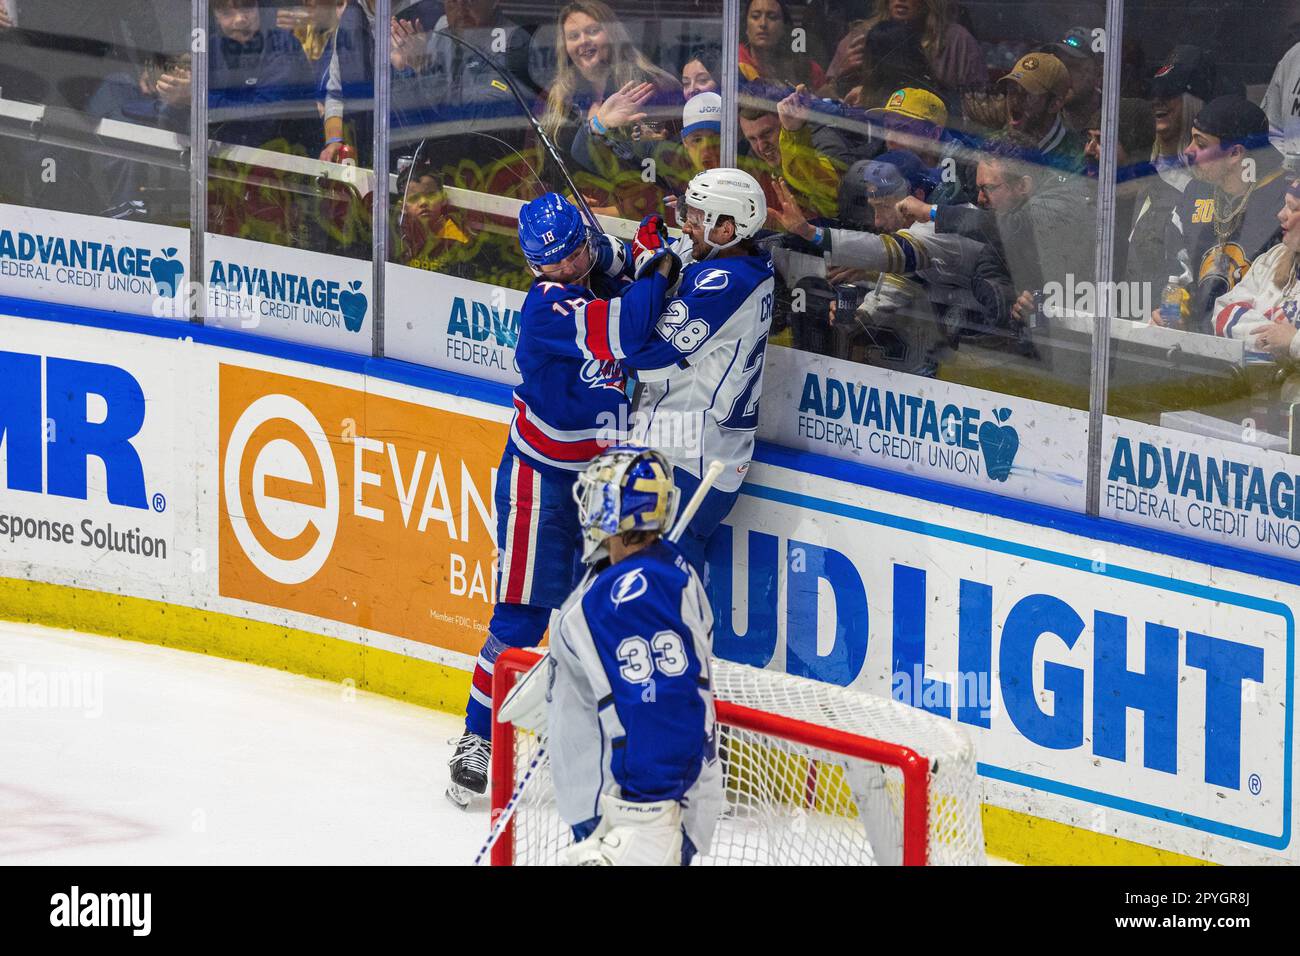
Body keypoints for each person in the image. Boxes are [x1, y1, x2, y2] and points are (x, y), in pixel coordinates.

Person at [446, 195, 684, 806]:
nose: (572, 266)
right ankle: (478, 736)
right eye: (556, 263)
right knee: (521, 618)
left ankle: (615, 741)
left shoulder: (588, 261)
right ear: (535, 269)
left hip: (604, 478)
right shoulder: (547, 308)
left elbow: (614, 259)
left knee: (611, 614)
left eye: (577, 251)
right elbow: (633, 332)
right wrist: (658, 265)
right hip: (541, 480)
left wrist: (641, 245)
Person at [497, 446, 720, 866]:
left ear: (619, 511)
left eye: (598, 497)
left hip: (636, 814)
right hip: (613, 806)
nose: (587, 507)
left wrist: (648, 821)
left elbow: (664, 702)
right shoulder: (630, 574)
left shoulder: (637, 590)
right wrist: (565, 687)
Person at [629, 168, 776, 571]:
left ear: (727, 229)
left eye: (696, 218)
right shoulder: (742, 261)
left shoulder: (726, 283)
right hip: (698, 454)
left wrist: (652, 265)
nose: (686, 225)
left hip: (689, 462)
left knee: (657, 592)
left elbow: (644, 355)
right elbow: (684, 261)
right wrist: (664, 255)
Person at [769, 151, 996, 375]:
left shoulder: (936, 231)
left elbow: (890, 252)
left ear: (916, 194)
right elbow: (892, 288)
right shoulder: (924, 231)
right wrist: (855, 318)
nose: (877, 220)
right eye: (873, 207)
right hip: (970, 349)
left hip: (996, 353)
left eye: (884, 206)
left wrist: (812, 233)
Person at [1160, 95, 1290, 333]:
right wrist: (1178, 304)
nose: (1188, 151)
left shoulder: (1287, 201)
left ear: (1234, 154)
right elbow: (1177, 271)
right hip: (1196, 346)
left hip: (1256, 351)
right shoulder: (1195, 192)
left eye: (1201, 144)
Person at [1211, 178, 1300, 409]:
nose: (1281, 215)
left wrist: (1292, 341)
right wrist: (1272, 339)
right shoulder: (1274, 258)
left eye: (1294, 208)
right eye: (1284, 205)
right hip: (1258, 408)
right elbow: (1224, 312)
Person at [833, 0, 983, 100]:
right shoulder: (860, 37)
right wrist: (841, 73)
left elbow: (978, 105)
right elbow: (818, 100)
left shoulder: (957, 42)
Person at [996, 52, 1087, 175]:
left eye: (1027, 94)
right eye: (1012, 90)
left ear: (1054, 104)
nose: (1015, 100)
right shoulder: (998, 143)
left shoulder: (1073, 158)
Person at [740, 0, 826, 89]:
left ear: (784, 27)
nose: (763, 24)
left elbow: (826, 98)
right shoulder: (733, 64)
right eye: (755, 17)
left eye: (772, 17)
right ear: (746, 26)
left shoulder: (807, 71)